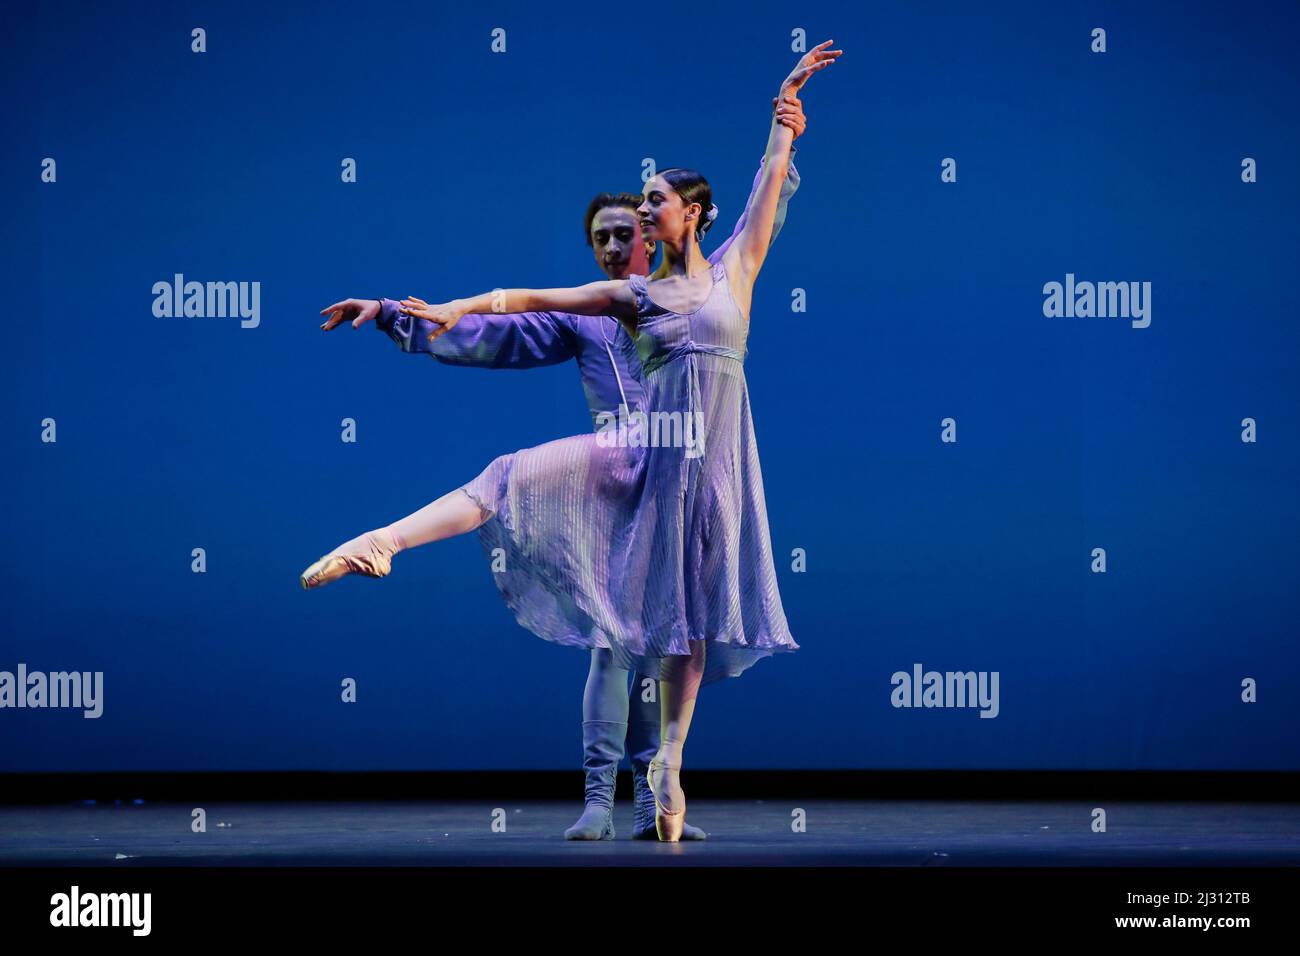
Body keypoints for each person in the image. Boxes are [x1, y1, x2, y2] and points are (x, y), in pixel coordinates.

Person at [303, 41, 841, 840]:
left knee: (683, 628)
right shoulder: (618, 303)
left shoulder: (732, 271)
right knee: (529, 512)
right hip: (630, 467)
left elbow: (767, 188)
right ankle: (385, 543)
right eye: (612, 230)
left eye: (645, 213)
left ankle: (662, 777)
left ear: (683, 217)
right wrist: (406, 311)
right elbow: (517, 305)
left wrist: (785, 121)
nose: (627, 235)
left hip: (714, 474)